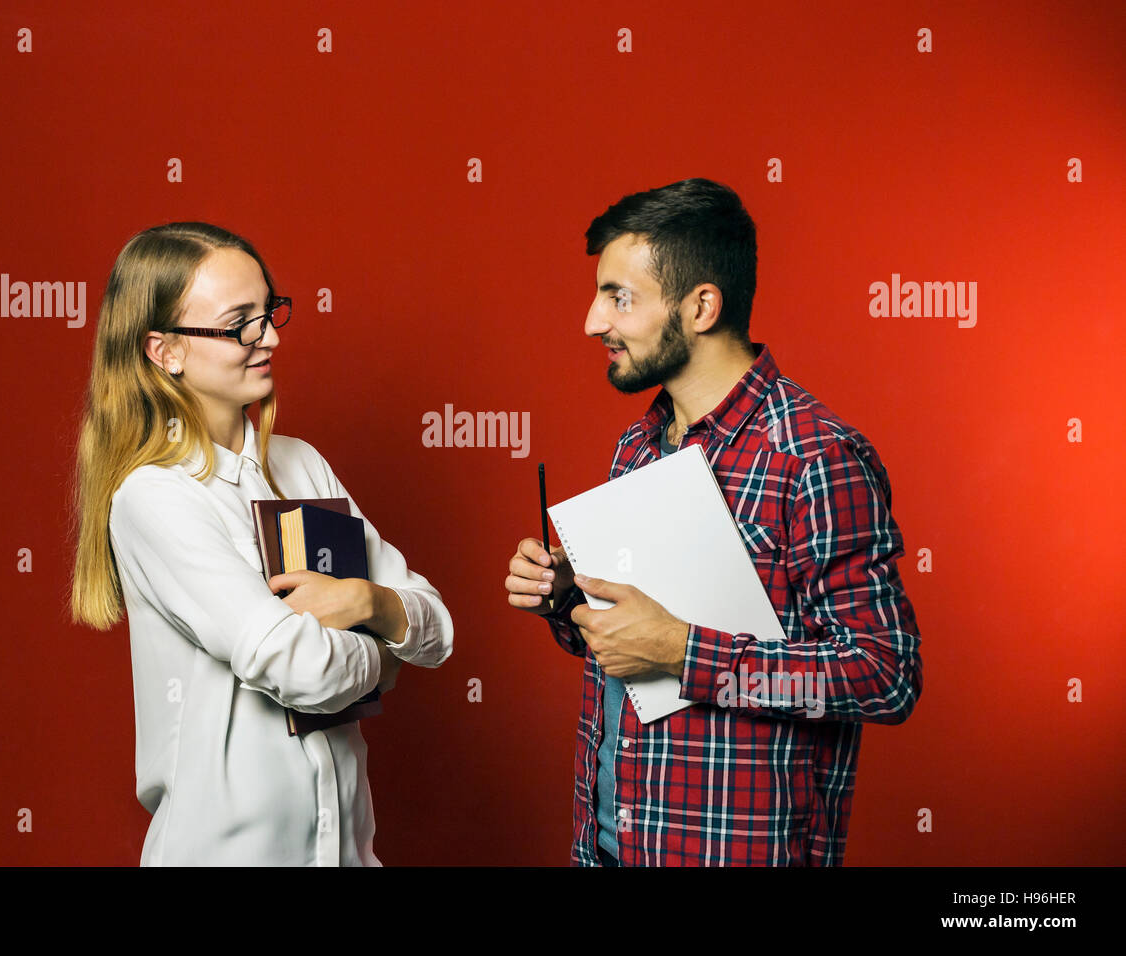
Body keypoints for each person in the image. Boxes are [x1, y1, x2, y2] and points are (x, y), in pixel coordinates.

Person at [504, 178, 923, 866]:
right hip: (611, 845)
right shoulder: (638, 445)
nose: (592, 321)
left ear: (700, 306)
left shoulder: (814, 456)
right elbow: (636, 648)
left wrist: (684, 653)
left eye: (619, 297)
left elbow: (884, 674)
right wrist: (570, 599)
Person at [69, 221, 453, 866]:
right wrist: (384, 661)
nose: (269, 337)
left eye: (270, 311)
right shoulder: (155, 496)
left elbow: (438, 630)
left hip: (346, 851)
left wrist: (369, 601)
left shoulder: (302, 465)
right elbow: (298, 667)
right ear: (164, 351)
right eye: (239, 322)